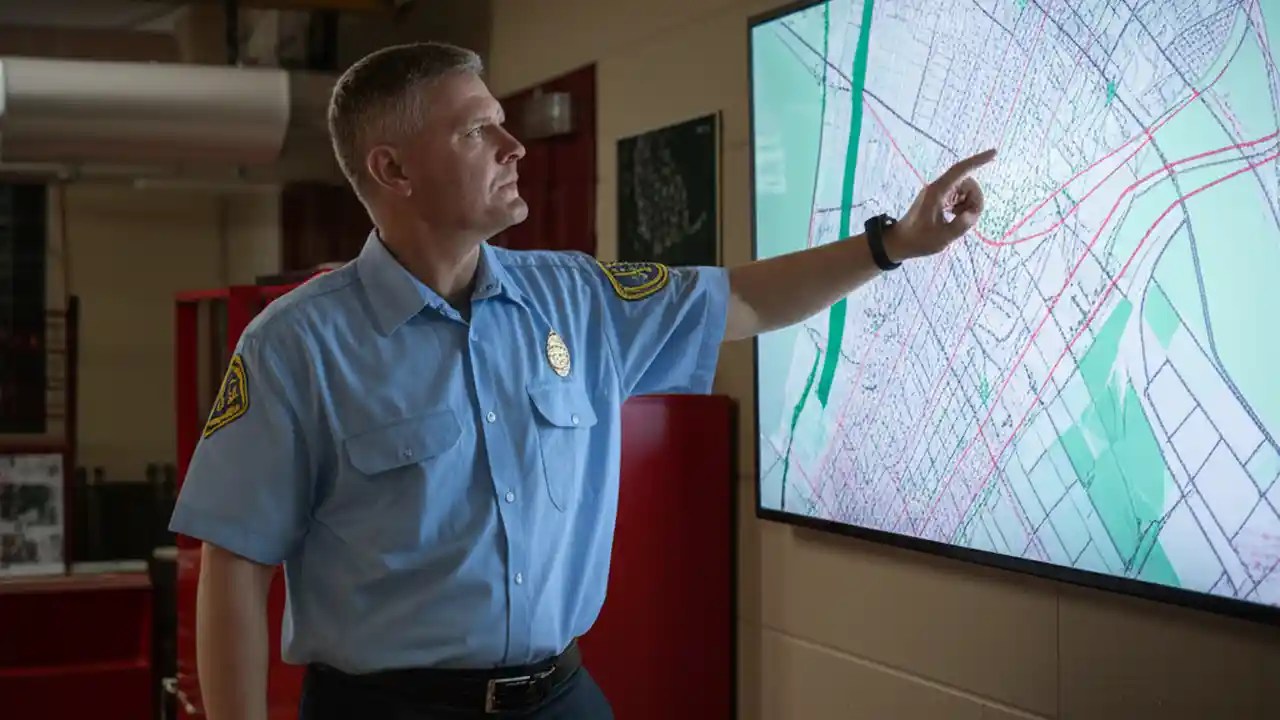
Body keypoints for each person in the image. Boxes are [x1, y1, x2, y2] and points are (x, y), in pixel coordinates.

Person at [169, 41, 996, 720]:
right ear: (393, 169)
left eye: (504, 124)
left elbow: (740, 298)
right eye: (476, 131)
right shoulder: (298, 345)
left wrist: (891, 246)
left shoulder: (576, 298)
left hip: (561, 698)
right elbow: (234, 564)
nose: (514, 146)